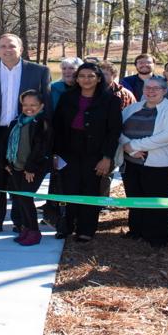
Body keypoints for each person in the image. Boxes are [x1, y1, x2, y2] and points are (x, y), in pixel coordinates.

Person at [0, 34, 52, 236]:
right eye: (3, 46)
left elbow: (46, 106)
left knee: (19, 180)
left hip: (24, 134)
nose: (7, 50)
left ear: (21, 48)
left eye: (12, 46)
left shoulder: (39, 71)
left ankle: (20, 221)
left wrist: (42, 136)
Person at [50, 62, 121, 242]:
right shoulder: (67, 97)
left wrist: (107, 158)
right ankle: (65, 227)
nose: (86, 79)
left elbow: (114, 131)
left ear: (98, 79)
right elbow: (56, 126)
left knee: (89, 190)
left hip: (95, 152)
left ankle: (86, 229)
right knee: (68, 190)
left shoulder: (111, 100)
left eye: (91, 76)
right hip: (68, 149)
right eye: (82, 76)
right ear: (77, 79)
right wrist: (55, 153)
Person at [117, 74, 168, 247]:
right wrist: (129, 148)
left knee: (156, 200)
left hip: (161, 164)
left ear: (164, 90)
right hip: (131, 162)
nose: (151, 91)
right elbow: (118, 129)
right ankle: (136, 231)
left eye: (155, 88)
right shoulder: (132, 108)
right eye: (147, 88)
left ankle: (157, 236)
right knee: (135, 197)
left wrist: (135, 146)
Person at [5, 89, 53, 247]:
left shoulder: (42, 123)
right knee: (19, 199)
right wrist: (8, 164)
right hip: (17, 166)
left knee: (26, 198)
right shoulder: (17, 122)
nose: (29, 108)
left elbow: (41, 147)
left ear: (41, 105)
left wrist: (31, 168)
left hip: (33, 168)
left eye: (33, 105)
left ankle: (34, 231)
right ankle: (25, 228)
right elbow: (9, 144)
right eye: (25, 104)